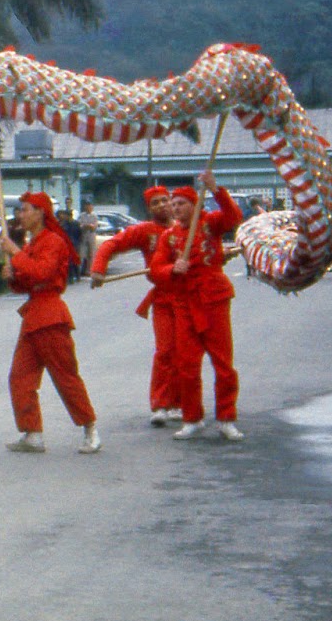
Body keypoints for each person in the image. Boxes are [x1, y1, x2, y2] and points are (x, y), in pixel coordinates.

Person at [0, 192, 100, 454]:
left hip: (50, 316)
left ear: (40, 212)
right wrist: (12, 276)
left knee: (65, 375)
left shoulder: (53, 241)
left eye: (24, 210)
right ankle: (32, 432)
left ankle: (90, 428)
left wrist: (15, 254)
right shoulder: (34, 243)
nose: (20, 215)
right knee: (20, 377)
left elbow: (42, 273)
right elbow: (27, 282)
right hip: (34, 316)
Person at [149, 172, 245, 441]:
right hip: (184, 303)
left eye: (181, 204)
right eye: (173, 204)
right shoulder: (168, 237)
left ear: (195, 205)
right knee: (186, 365)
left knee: (223, 363)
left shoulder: (209, 223)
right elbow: (156, 270)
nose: (175, 208)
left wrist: (216, 189)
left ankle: (226, 418)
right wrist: (172, 268)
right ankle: (192, 418)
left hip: (213, 299)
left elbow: (234, 217)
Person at [90, 186, 181, 426]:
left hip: (189, 297)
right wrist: (98, 269)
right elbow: (110, 245)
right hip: (163, 298)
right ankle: (161, 404)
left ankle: (180, 403)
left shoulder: (185, 227)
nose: (162, 206)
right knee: (165, 351)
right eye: (156, 203)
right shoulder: (145, 231)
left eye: (165, 201)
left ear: (172, 203)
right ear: (149, 208)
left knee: (186, 353)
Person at [77, 200, 99, 272]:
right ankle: (79, 270)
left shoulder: (94, 216)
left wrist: (88, 226)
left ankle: (89, 270)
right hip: (83, 236)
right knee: (82, 254)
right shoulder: (82, 215)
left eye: (90, 206)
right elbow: (80, 225)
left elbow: (94, 226)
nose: (88, 207)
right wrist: (87, 225)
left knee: (91, 254)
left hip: (91, 236)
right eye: (87, 206)